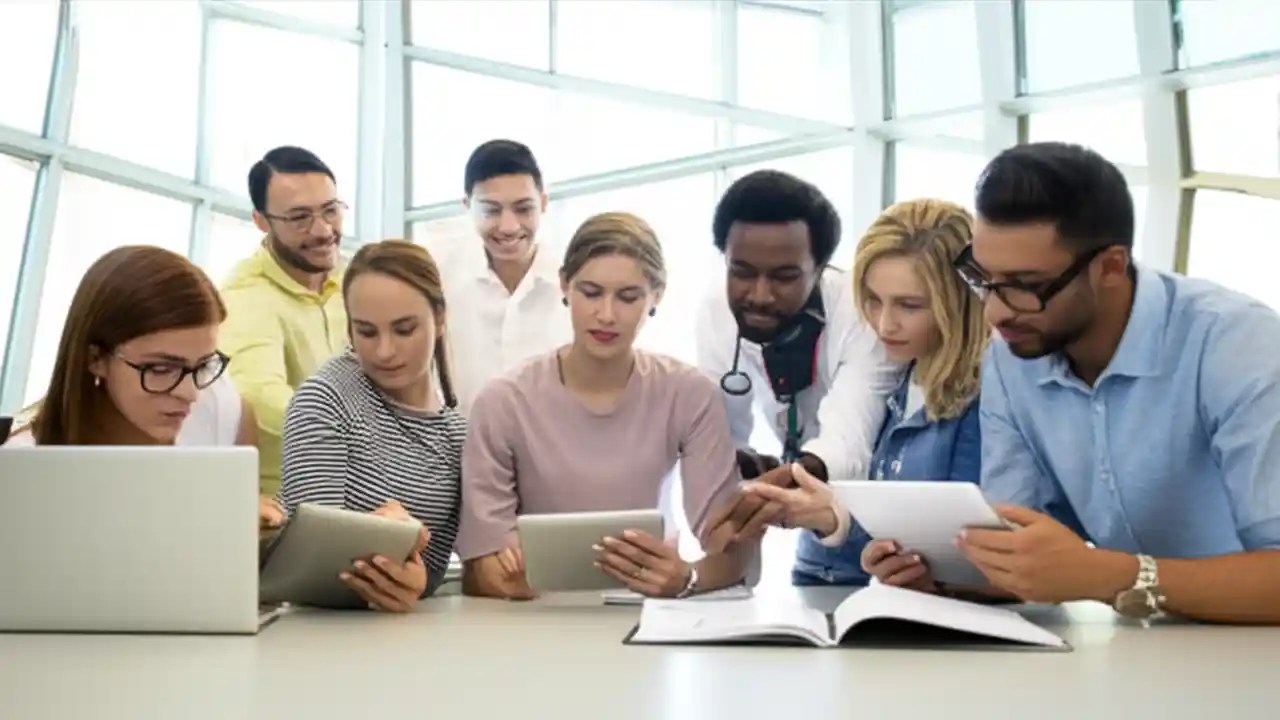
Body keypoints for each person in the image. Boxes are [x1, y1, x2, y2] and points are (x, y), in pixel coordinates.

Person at [867, 142, 1280, 624]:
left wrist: (1108, 575)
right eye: (983, 278)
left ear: (1110, 267)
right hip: (1145, 647)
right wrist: (942, 576)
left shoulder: (1238, 346)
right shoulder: (1011, 358)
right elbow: (1021, 555)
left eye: (1026, 285)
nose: (996, 312)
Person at [457, 212, 750, 599]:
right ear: (565, 285)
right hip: (533, 613)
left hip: (648, 608)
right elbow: (483, 564)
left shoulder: (689, 393)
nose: (607, 315)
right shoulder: (503, 402)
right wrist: (506, 578)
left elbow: (730, 549)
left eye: (628, 297)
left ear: (656, 296)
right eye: (591, 293)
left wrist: (688, 578)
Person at [742, 199, 988, 586]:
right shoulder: (892, 374)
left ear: (960, 302)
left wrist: (834, 519)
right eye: (873, 300)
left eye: (909, 305)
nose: (884, 324)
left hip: (920, 606)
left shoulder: (989, 399)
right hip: (832, 584)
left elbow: (956, 550)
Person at [5, 245, 283, 528]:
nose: (190, 393)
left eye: (203, 365)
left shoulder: (216, 401)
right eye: (161, 369)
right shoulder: (24, 467)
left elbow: (237, 416)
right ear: (95, 359)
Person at [696, 170, 900, 549]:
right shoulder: (715, 311)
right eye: (741, 272)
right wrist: (743, 460)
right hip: (814, 531)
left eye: (784, 277)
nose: (759, 295)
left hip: (886, 526)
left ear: (820, 269)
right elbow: (718, 431)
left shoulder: (861, 312)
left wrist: (782, 480)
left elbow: (848, 443)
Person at [281, 240, 465, 610]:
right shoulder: (325, 399)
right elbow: (306, 567)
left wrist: (414, 579)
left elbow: (431, 576)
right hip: (310, 629)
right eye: (366, 332)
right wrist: (383, 541)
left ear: (440, 319)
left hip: (396, 632)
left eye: (404, 329)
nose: (384, 351)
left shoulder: (458, 436)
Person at [220, 146, 349, 498]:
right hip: (284, 504)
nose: (323, 230)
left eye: (331, 210)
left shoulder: (355, 279)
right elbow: (262, 401)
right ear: (261, 221)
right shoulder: (244, 294)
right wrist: (369, 438)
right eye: (299, 218)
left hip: (362, 493)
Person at [425, 139, 572, 415]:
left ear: (543, 203)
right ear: (468, 206)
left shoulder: (574, 285)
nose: (508, 227)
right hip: (460, 440)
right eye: (491, 210)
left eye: (523, 209)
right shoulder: (440, 281)